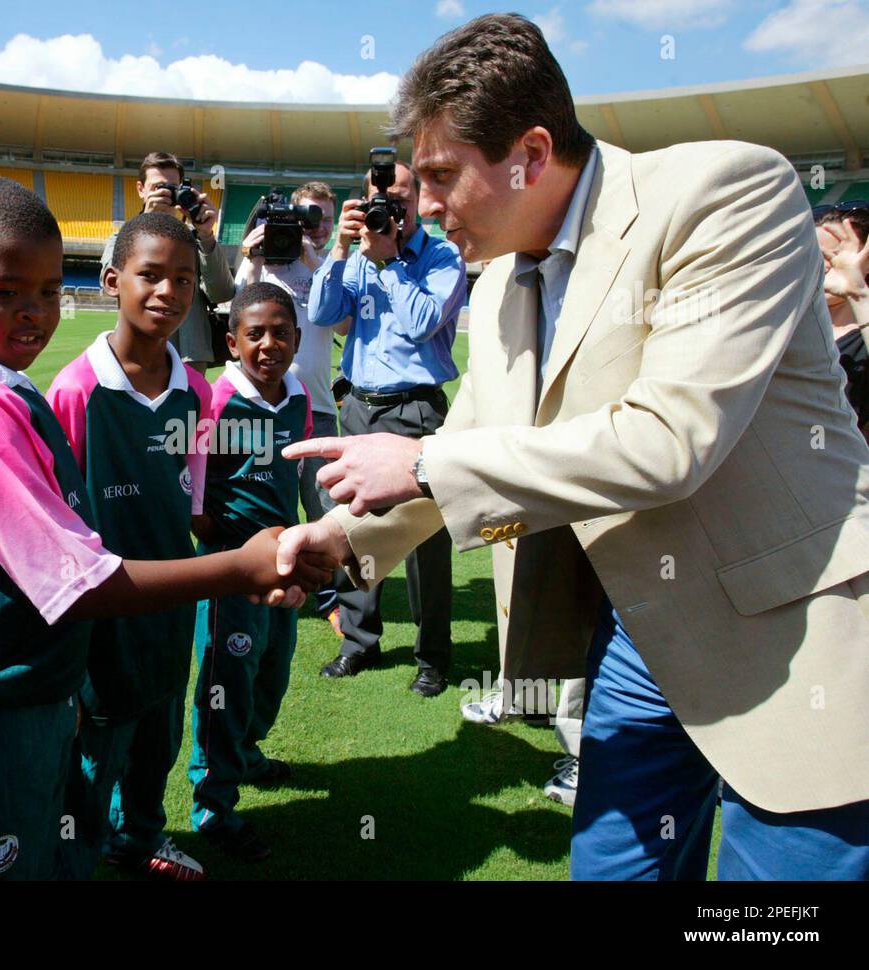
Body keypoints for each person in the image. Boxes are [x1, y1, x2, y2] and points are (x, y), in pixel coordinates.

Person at [278, 13, 869, 881]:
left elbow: (671, 442)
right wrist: (342, 542)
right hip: (636, 636)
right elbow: (477, 436)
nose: (424, 206)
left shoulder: (727, 192)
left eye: (441, 175)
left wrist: (419, 463)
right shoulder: (507, 271)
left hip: (784, 627)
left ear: (530, 152)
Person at [0, 177, 327, 881]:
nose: (34, 313)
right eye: (6, 291)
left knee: (134, 744)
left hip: (84, 637)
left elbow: (179, 491)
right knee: (8, 829)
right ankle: (97, 839)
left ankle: (122, 840)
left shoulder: (147, 386)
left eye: (50, 292)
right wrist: (242, 565)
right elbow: (75, 577)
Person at [47, 212, 213, 882]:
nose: (167, 291)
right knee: (97, 744)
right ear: (113, 281)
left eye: (184, 279)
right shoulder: (75, 390)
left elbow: (192, 503)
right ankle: (79, 851)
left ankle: (142, 836)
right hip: (103, 611)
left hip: (171, 607)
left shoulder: (197, 391)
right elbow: (58, 524)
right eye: (150, 274)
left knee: (159, 734)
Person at [307, 155, 466, 698]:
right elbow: (324, 314)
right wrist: (342, 250)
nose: (388, 207)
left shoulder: (442, 255)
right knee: (353, 526)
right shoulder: (357, 254)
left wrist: (392, 259)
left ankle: (432, 657)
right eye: (381, 198)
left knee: (425, 540)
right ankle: (359, 641)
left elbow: (423, 325)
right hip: (359, 405)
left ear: (418, 199)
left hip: (417, 409)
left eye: (400, 198)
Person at [189, 282, 314, 862]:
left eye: (281, 332)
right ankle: (213, 803)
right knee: (226, 681)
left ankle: (246, 754)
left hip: (282, 569)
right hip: (234, 573)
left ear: (297, 337)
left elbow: (297, 475)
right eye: (255, 333)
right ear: (233, 341)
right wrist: (218, 542)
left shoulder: (298, 397)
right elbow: (193, 488)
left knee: (271, 671)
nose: (270, 344)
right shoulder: (215, 405)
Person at [235, 181, 349, 623]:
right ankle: (264, 577)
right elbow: (234, 307)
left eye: (318, 217)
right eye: (304, 215)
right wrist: (252, 258)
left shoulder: (330, 266)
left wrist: (315, 260)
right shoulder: (261, 264)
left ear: (331, 219)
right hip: (264, 407)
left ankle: (332, 597)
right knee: (264, 500)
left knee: (322, 506)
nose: (310, 226)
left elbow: (341, 325)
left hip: (316, 406)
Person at [101, 151, 233, 372]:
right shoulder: (121, 239)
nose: (165, 195)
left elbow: (222, 293)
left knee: (193, 409)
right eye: (157, 188)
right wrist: (146, 223)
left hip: (191, 356)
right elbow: (111, 287)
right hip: (137, 354)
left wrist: (207, 235)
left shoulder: (197, 240)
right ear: (140, 189)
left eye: (172, 188)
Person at [814, 202, 869, 435]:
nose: (826, 266)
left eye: (836, 255)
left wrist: (857, 294)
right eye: (814, 254)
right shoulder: (787, 324)